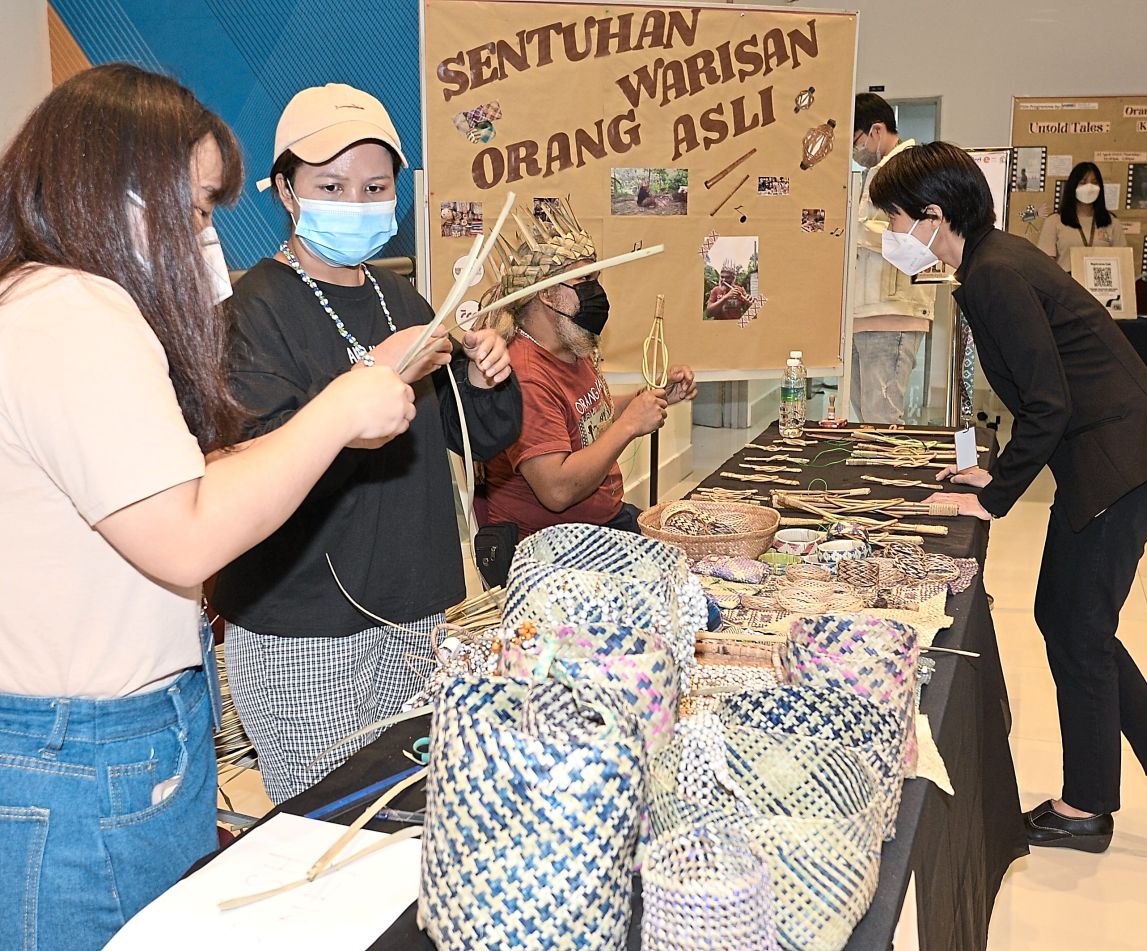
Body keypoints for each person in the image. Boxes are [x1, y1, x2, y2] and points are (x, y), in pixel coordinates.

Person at [0, 65, 416, 950]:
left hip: (117, 735)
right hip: (85, 751)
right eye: (190, 209)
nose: (203, 235)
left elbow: (177, 479)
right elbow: (184, 533)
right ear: (112, 189)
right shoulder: (72, 309)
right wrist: (343, 407)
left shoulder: (48, 304)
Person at [869, 141, 1147, 867]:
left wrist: (995, 496)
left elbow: (1049, 400)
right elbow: (1049, 385)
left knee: (1078, 624)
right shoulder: (992, 261)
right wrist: (991, 469)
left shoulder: (995, 275)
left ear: (933, 217)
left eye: (895, 219)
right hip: (1116, 454)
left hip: (1121, 460)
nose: (891, 236)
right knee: (1070, 619)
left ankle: (1101, 801)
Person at [209, 84, 521, 804]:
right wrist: (375, 366)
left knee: (409, 813)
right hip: (305, 627)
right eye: (331, 185)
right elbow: (258, 465)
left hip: (412, 608)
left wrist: (484, 378)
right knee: (327, 825)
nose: (355, 202)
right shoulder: (250, 311)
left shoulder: (402, 298)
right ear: (286, 190)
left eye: (374, 186)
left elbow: (476, 437)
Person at [478, 202, 696, 539]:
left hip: (602, 522)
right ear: (548, 294)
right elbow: (557, 491)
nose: (596, 292)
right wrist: (628, 426)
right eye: (585, 281)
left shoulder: (569, 345)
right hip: (553, 545)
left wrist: (650, 396)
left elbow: (586, 416)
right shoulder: (525, 375)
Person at [849, 92, 935, 424]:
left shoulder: (910, 168)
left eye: (857, 140)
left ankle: (888, 475)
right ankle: (876, 471)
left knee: (882, 415)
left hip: (893, 309)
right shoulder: (878, 171)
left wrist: (853, 231)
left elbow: (913, 236)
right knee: (867, 409)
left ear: (876, 130)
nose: (857, 152)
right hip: (868, 310)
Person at [1037, 162, 1123, 270]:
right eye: (1083, 182)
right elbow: (1046, 265)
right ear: (1073, 186)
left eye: (1094, 182)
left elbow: (1122, 262)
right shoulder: (1054, 221)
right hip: (1066, 284)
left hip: (1101, 284)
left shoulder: (1112, 223)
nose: (1089, 187)